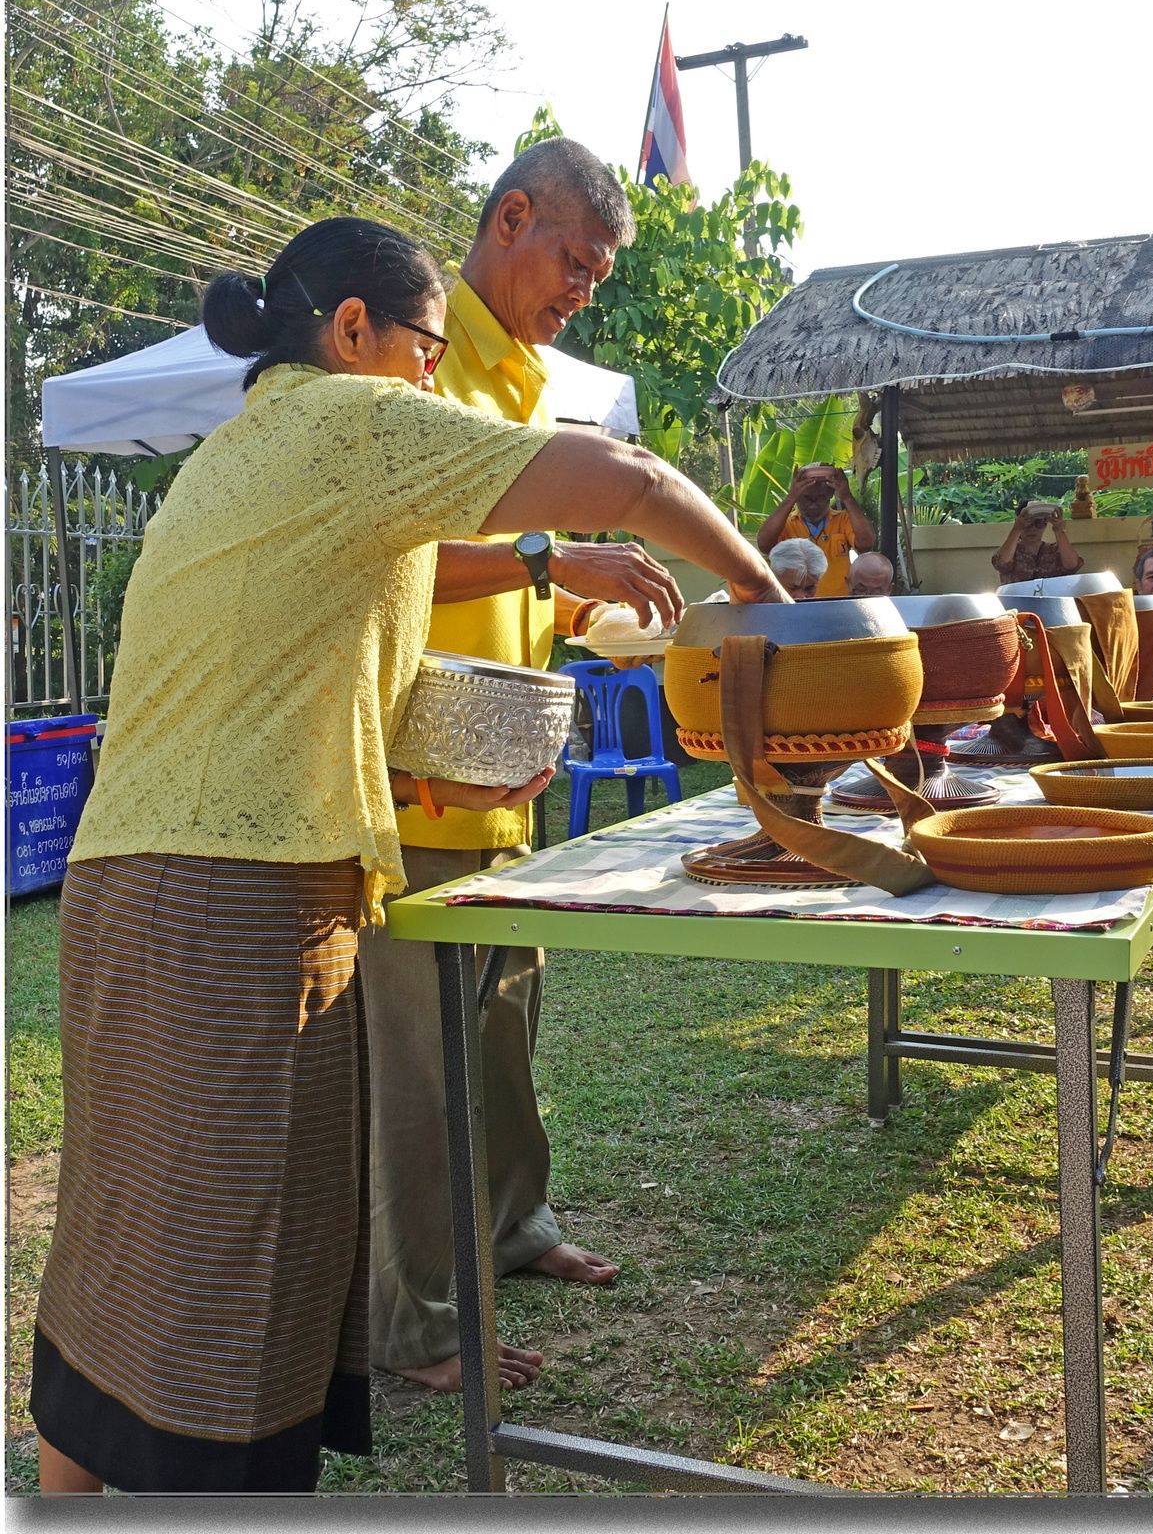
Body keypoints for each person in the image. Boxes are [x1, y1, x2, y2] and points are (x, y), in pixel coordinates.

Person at [30, 216, 791, 1496]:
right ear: (351, 333)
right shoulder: (349, 423)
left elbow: (279, 697)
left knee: (125, 1230)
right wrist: (774, 596)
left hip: (123, 889)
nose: (434, 382)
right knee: (242, 1261)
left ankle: (64, 1497)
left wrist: (442, 779)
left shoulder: (236, 456)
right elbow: (633, 480)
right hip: (238, 911)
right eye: (426, 351)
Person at [356, 140, 692, 1397]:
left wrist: (570, 606)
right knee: (418, 1062)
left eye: (598, 274)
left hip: (509, 775)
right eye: (574, 261)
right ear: (510, 220)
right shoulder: (419, 361)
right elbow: (401, 555)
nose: (581, 290)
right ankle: (418, 1318)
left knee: (505, 1020)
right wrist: (555, 559)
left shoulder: (533, 385)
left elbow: (507, 580)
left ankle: (514, 1227)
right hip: (414, 779)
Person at [755, 461, 876, 598]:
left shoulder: (843, 520)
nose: (813, 504)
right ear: (798, 497)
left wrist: (847, 497)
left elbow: (866, 544)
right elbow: (764, 544)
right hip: (797, 605)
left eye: (820, 498)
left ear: (830, 495)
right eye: (807, 498)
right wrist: (791, 497)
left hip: (837, 605)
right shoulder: (786, 524)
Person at [990, 500, 1083, 584]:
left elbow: (1072, 565)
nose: (1033, 528)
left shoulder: (1054, 550)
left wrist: (1059, 531)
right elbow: (1000, 563)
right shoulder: (1011, 552)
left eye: (1038, 523)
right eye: (1028, 523)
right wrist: (1017, 529)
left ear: (1045, 524)